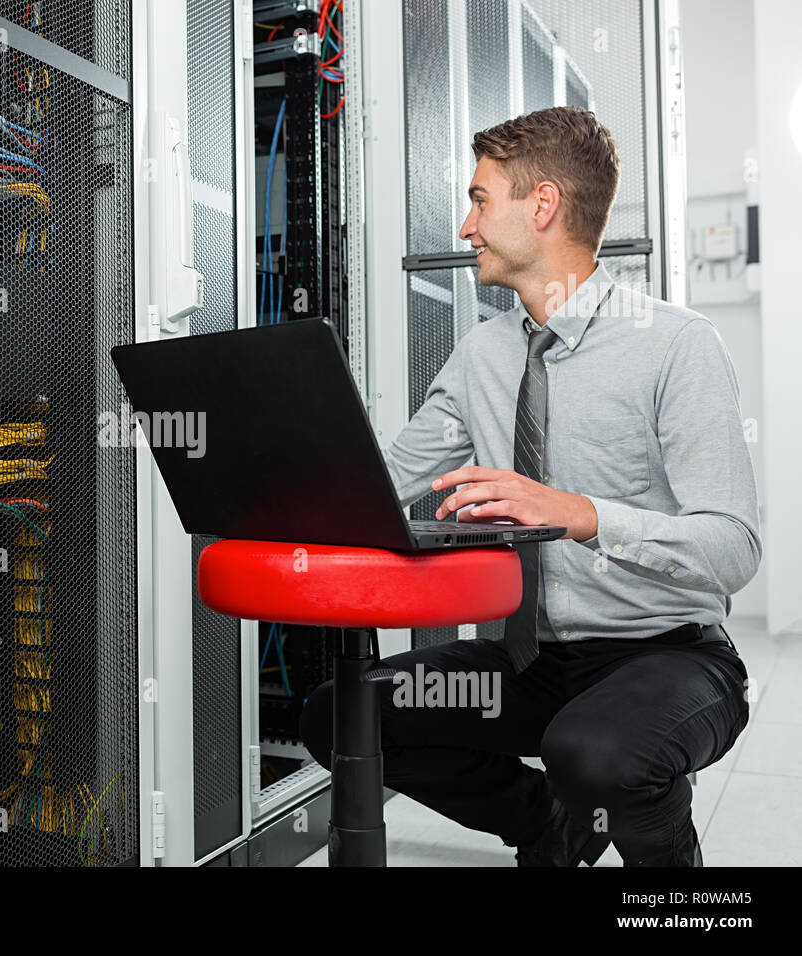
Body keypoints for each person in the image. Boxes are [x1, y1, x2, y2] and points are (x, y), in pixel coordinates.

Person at [299, 106, 759, 867]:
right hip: (530, 664)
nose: (465, 225)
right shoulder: (481, 353)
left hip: (669, 658)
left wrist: (580, 514)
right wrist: (280, 468)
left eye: (480, 199)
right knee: (342, 717)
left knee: (598, 758)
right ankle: (546, 821)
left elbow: (735, 546)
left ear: (541, 205)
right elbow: (385, 480)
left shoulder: (677, 345)